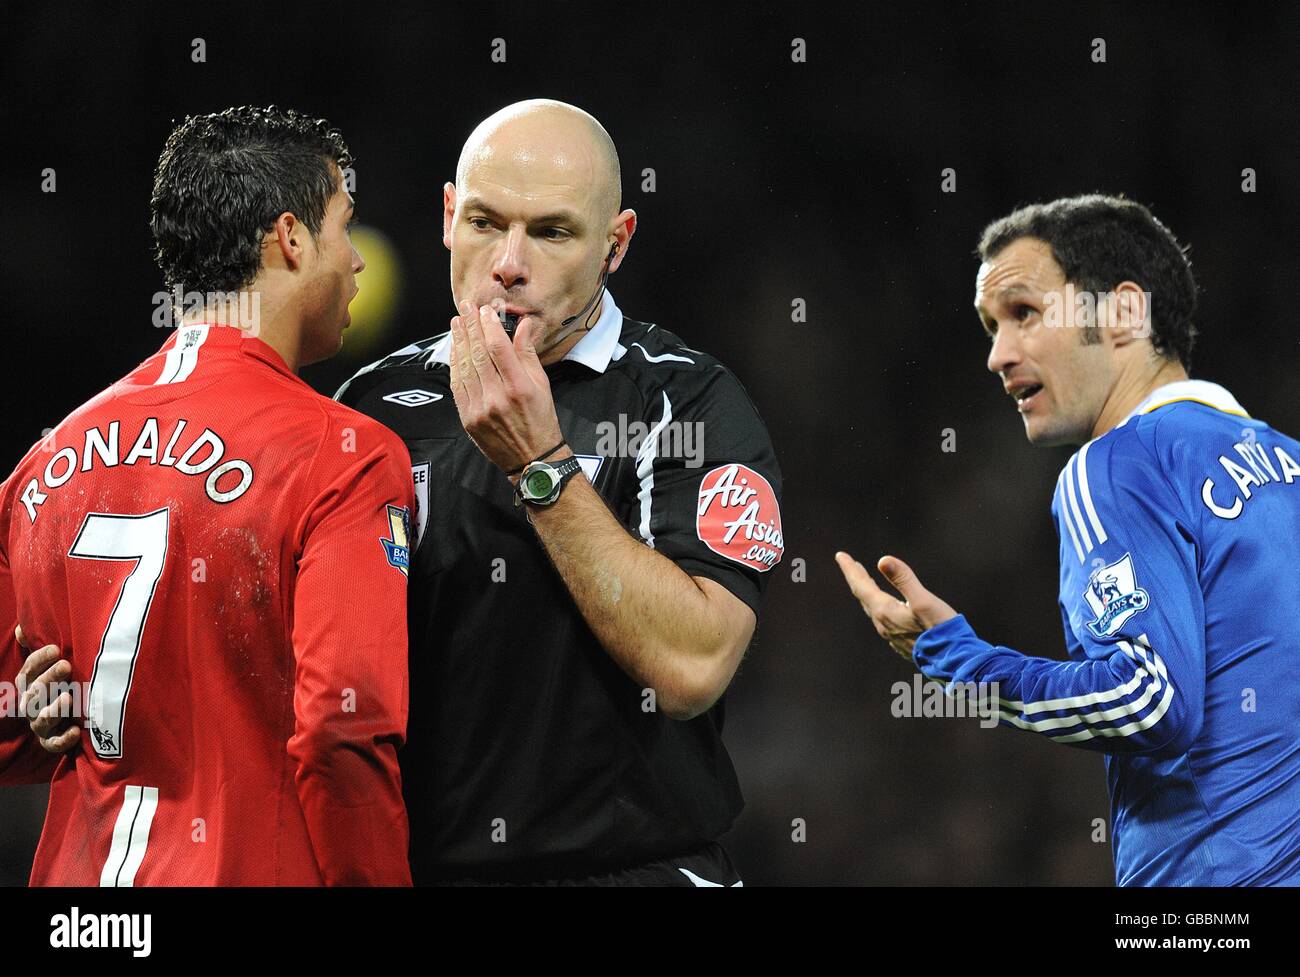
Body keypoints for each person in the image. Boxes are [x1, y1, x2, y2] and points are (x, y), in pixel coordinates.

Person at [335, 99, 785, 885]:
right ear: (447, 215)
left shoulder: (685, 404)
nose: (509, 261)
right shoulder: (369, 405)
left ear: (617, 243)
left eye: (551, 231)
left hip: (636, 870)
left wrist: (540, 464)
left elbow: (692, 664)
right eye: (483, 222)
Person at [0, 106, 414, 885]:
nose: (357, 261)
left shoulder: (39, 468)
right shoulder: (343, 458)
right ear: (291, 238)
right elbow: (340, 729)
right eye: (344, 227)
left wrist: (31, 712)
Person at [837, 194, 1300, 886]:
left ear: (1123, 313)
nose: (997, 354)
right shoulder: (1289, 462)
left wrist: (962, 660)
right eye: (990, 327)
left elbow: (1149, 702)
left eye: (1024, 313)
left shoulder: (1115, 465)